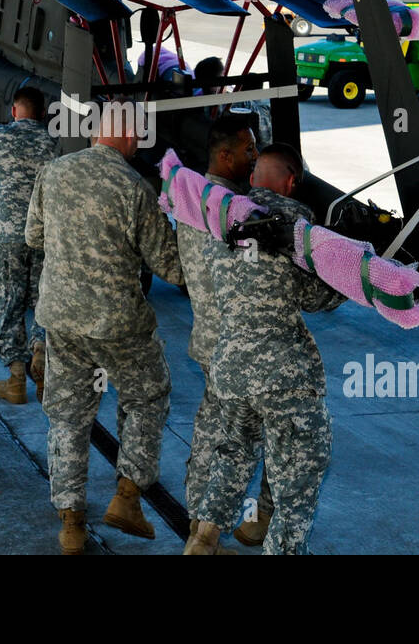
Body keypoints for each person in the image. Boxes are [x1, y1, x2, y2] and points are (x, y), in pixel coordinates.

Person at [25, 99, 184, 554]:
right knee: (146, 395)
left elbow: (33, 237)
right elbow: (169, 265)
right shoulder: (135, 186)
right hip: (120, 323)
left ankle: (71, 521)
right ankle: (127, 497)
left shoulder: (53, 173)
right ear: (129, 136)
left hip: (61, 317)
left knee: (68, 416)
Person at [186, 144, 344, 556]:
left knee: (233, 456)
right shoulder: (296, 222)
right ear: (292, 183)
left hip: (230, 368)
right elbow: (313, 297)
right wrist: (349, 278)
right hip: (283, 375)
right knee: (297, 486)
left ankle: (202, 542)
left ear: (253, 177)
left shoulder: (223, 217)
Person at [178, 113, 275, 546]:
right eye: (248, 150)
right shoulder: (239, 210)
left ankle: (199, 522)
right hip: (248, 344)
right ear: (224, 155)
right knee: (273, 432)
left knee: (213, 433)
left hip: (209, 340)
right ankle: (260, 520)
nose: (255, 156)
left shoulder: (191, 197)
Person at [0, 86, 57, 404]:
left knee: (8, 304)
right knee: (42, 300)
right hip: (43, 233)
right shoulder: (53, 142)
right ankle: (40, 349)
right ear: (43, 112)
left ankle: (15, 379)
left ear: (14, 110)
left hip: (7, 233)